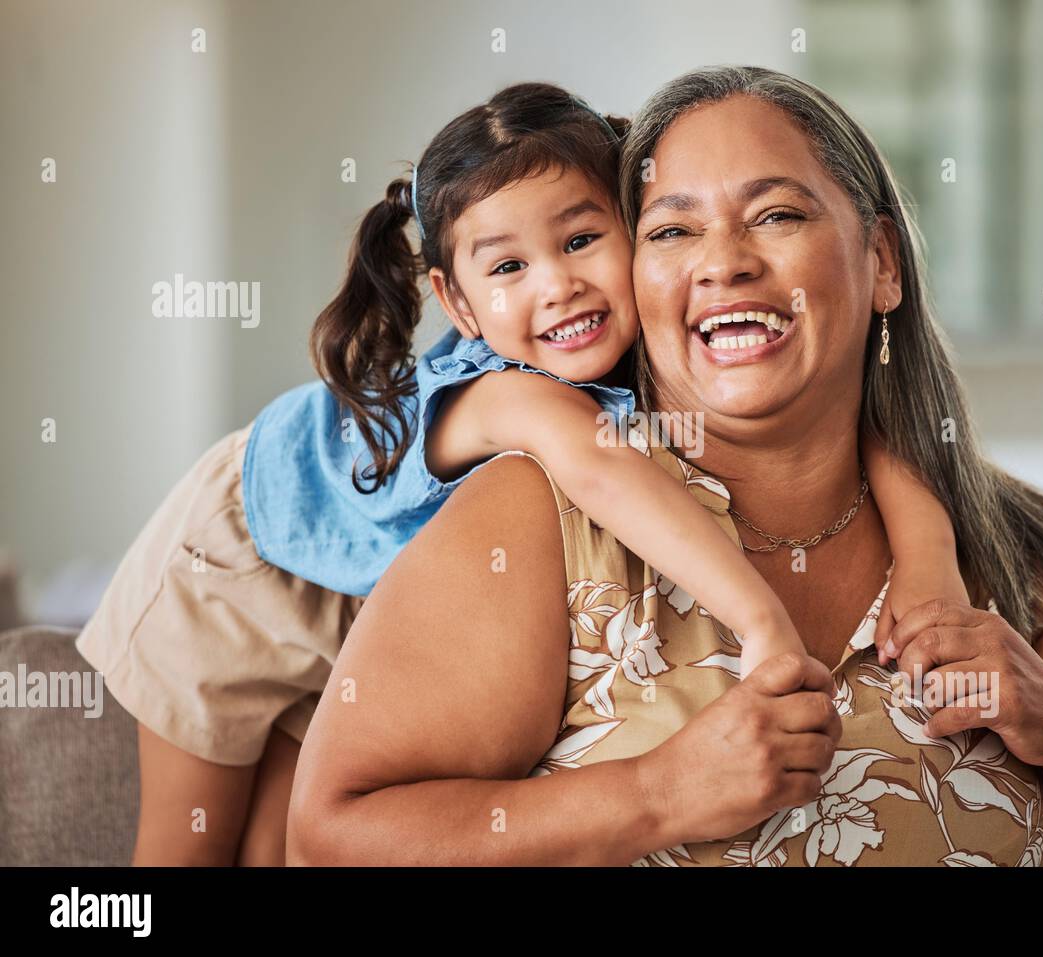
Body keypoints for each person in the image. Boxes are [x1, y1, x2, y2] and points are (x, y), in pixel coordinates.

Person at [287, 66, 1043, 867]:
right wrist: (655, 794)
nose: (723, 263)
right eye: (672, 231)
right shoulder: (541, 509)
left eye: (774, 214)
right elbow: (331, 839)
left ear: (882, 260)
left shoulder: (990, 539)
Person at [77, 81, 964, 866]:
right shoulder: (514, 397)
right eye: (508, 267)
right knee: (184, 850)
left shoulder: (643, 362)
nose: (558, 286)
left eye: (582, 239)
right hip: (235, 560)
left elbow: (875, 437)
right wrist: (763, 624)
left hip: (361, 581)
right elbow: (608, 476)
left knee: (276, 846)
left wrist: (929, 564)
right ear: (458, 302)